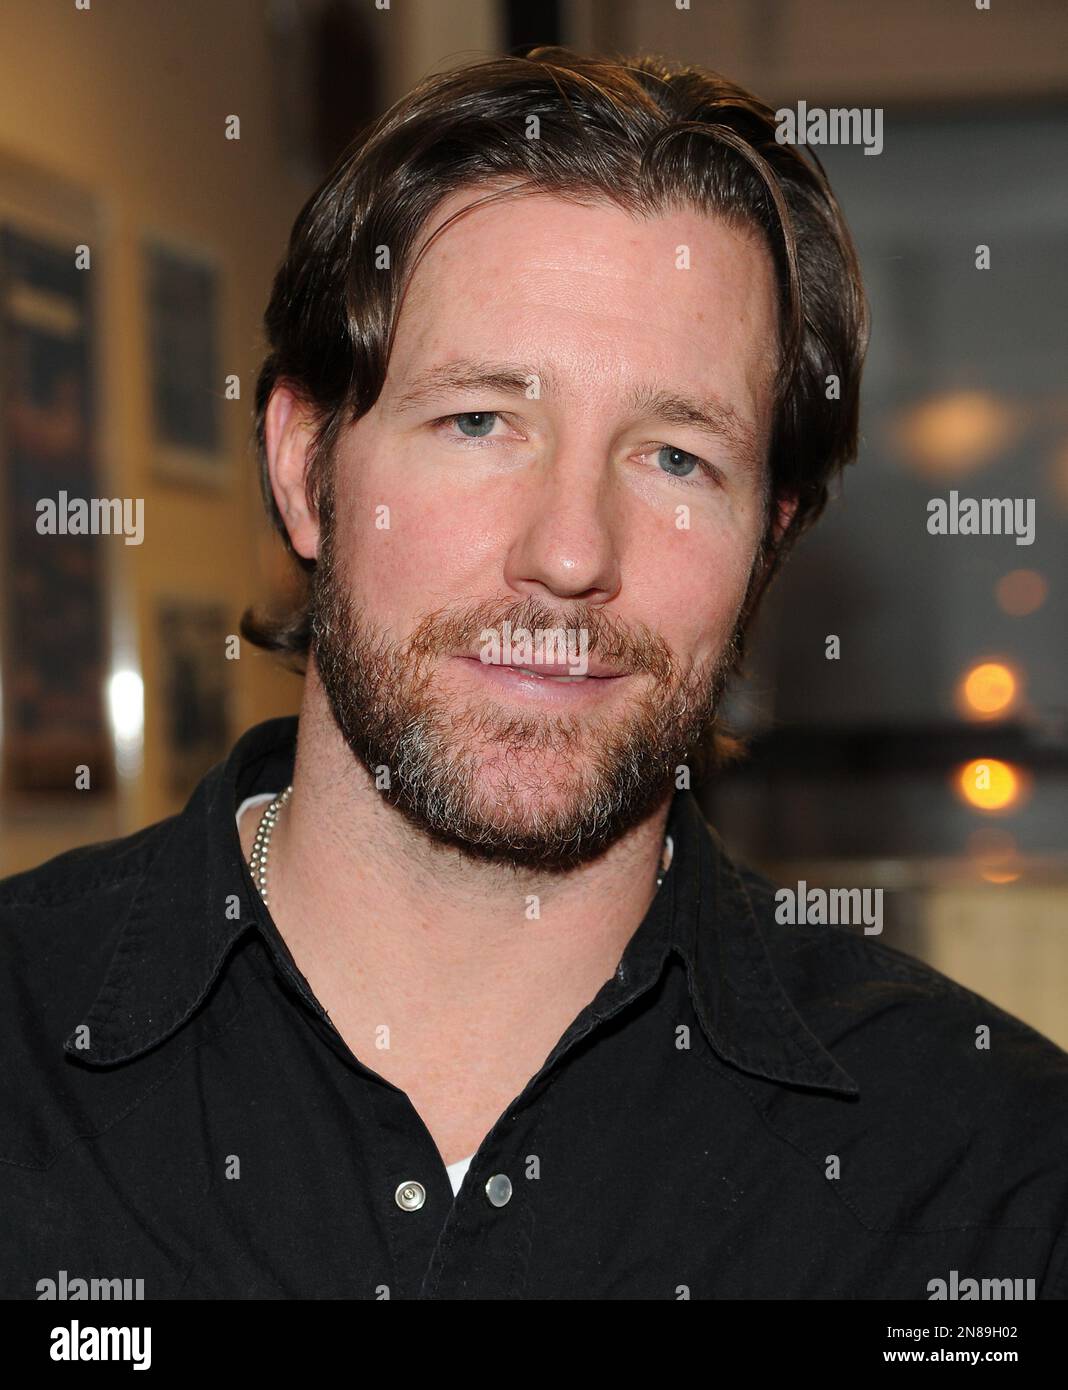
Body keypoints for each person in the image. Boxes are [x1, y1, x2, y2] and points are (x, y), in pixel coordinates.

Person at [3, 47, 1066, 1301]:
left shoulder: (984, 1174)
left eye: (676, 457)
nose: (570, 553)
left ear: (768, 538)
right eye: (479, 421)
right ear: (304, 468)